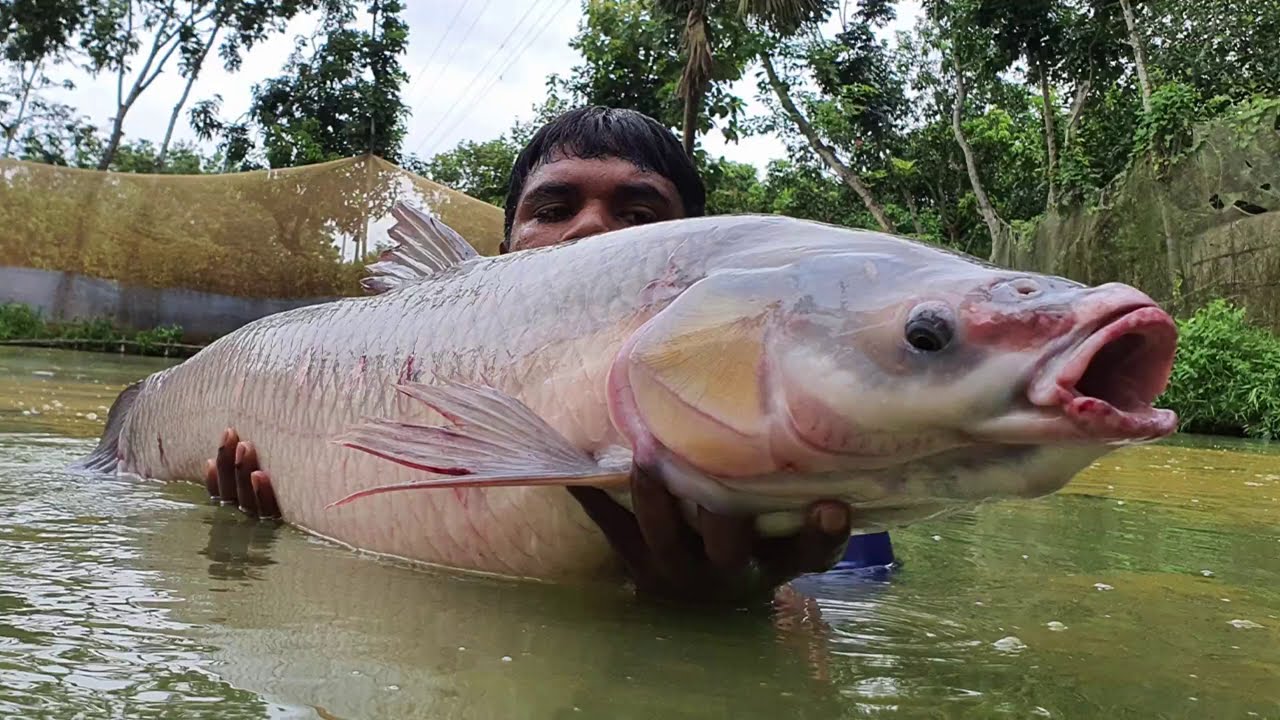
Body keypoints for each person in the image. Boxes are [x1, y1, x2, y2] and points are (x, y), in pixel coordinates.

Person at [205, 106, 889, 603]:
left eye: (639, 216)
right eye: (552, 209)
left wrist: (751, 605)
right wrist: (268, 535)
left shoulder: (820, 471)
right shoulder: (368, 347)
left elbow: (850, 618)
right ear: (501, 256)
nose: (590, 228)